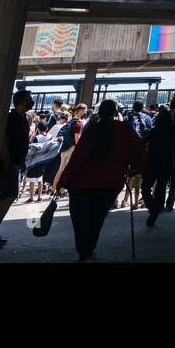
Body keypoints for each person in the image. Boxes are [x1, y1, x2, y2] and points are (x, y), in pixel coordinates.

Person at [56, 99, 144, 261]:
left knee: (80, 219)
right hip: (110, 183)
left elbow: (78, 157)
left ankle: (83, 250)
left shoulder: (92, 130)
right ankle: (88, 250)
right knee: (97, 219)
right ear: (116, 112)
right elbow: (139, 148)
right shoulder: (124, 129)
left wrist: (63, 181)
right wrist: (134, 168)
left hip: (82, 183)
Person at [0, 89, 33, 249]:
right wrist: (7, 164)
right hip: (9, 165)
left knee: (0, 198)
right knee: (9, 196)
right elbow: (4, 142)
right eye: (29, 99)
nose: (31, 102)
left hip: (14, 164)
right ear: (21, 101)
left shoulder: (21, 118)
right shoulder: (12, 118)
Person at [140, 105, 175, 227]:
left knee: (145, 187)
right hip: (166, 163)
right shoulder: (174, 130)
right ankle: (156, 210)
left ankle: (151, 207)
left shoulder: (154, 130)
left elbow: (143, 141)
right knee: (161, 188)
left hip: (152, 162)